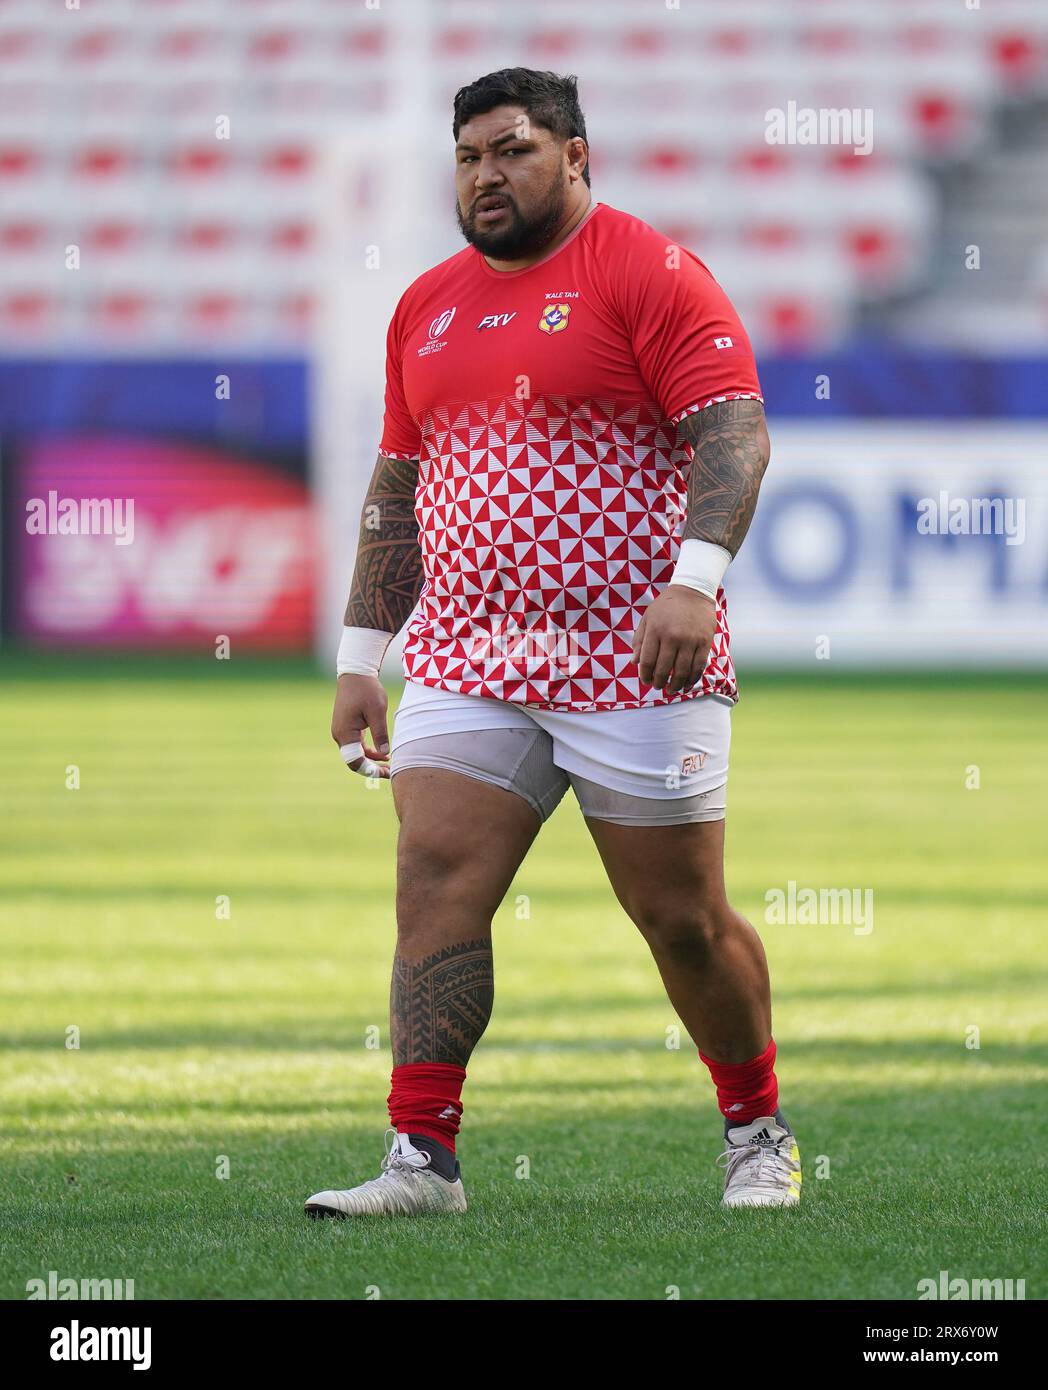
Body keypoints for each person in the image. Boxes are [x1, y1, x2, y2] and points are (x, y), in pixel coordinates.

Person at [305, 68, 800, 1219]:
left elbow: (733, 430)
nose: (486, 174)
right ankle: (421, 1160)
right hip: (471, 651)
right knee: (433, 883)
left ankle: (756, 1128)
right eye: (470, 155)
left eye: (512, 150)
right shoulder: (423, 302)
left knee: (680, 919)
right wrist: (357, 657)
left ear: (575, 157)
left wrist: (692, 585)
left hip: (635, 656)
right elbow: (398, 491)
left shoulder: (650, 270)